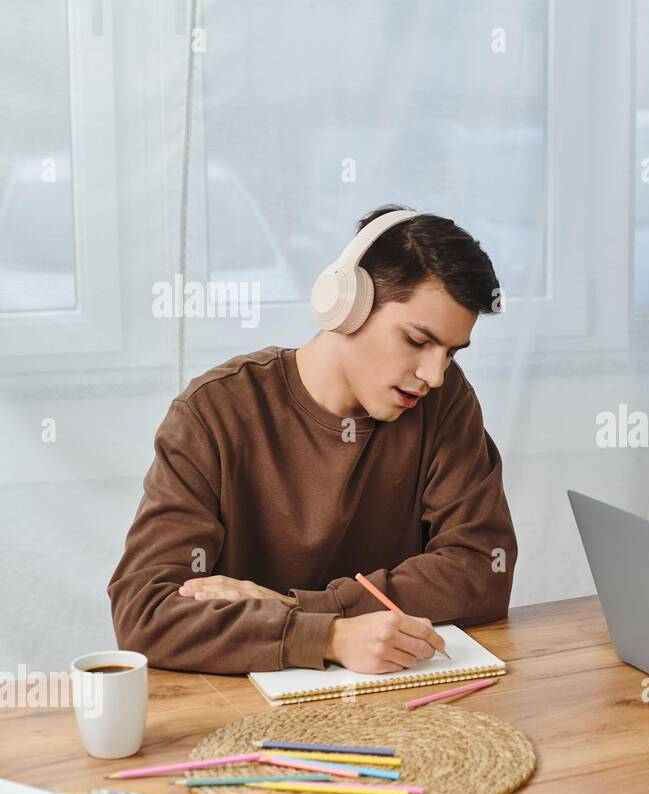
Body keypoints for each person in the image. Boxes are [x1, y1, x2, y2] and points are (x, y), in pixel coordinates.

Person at [108, 205, 516, 676]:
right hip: (241, 711)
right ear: (346, 305)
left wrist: (297, 607)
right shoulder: (213, 413)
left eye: (450, 352)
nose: (434, 375)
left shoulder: (444, 404)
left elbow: (484, 569)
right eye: (416, 340)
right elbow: (144, 612)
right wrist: (330, 637)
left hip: (400, 699)